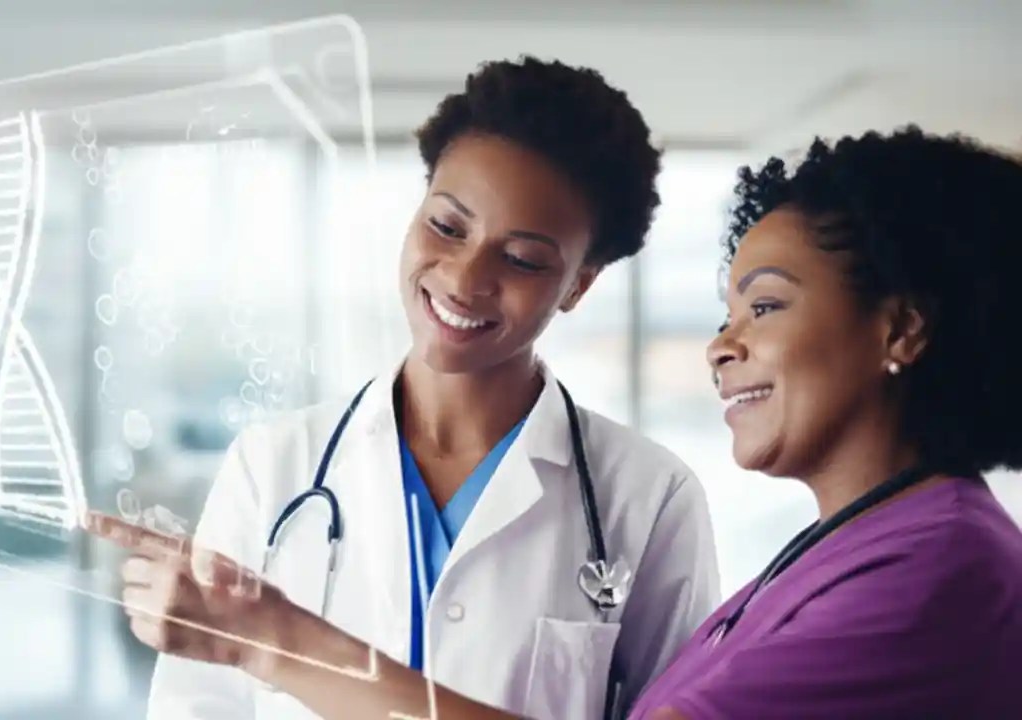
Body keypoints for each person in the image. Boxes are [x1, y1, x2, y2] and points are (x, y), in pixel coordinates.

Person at [90, 126, 1022, 719]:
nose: (720, 347)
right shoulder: (845, 551)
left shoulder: (934, 572)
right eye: (447, 226)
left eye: (766, 307)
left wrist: (280, 640)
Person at [109, 56, 720, 720]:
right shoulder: (272, 465)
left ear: (578, 283)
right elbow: (195, 706)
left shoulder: (650, 499)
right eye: (448, 227)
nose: (464, 278)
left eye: (521, 259)